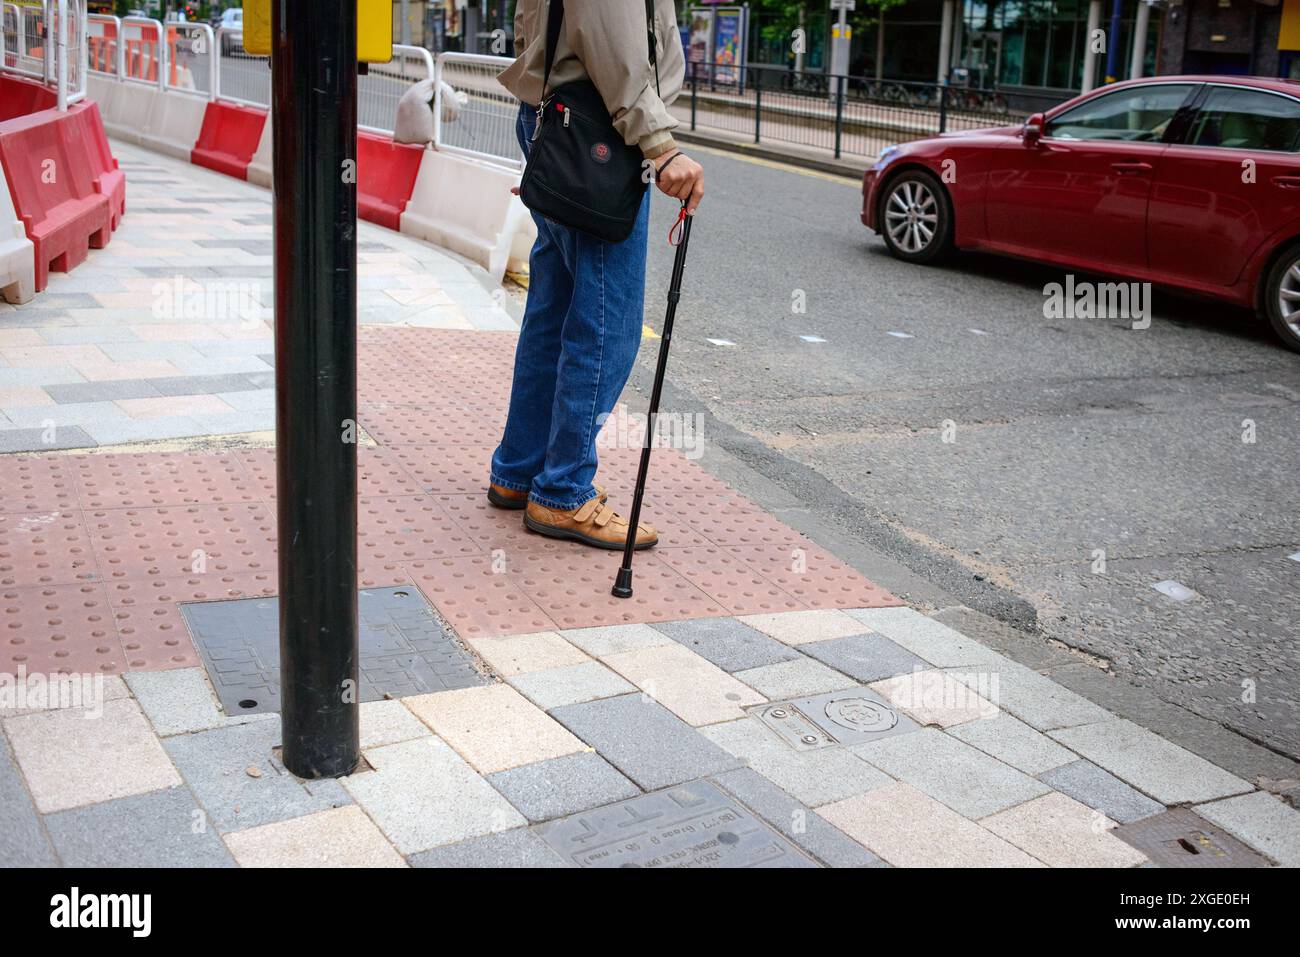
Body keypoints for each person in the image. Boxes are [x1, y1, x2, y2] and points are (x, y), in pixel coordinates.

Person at [490, 0, 705, 550]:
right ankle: (561, 492)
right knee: (607, 324)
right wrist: (662, 146)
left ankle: (519, 470)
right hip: (598, 137)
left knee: (554, 312)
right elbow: (618, 49)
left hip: (562, 119)